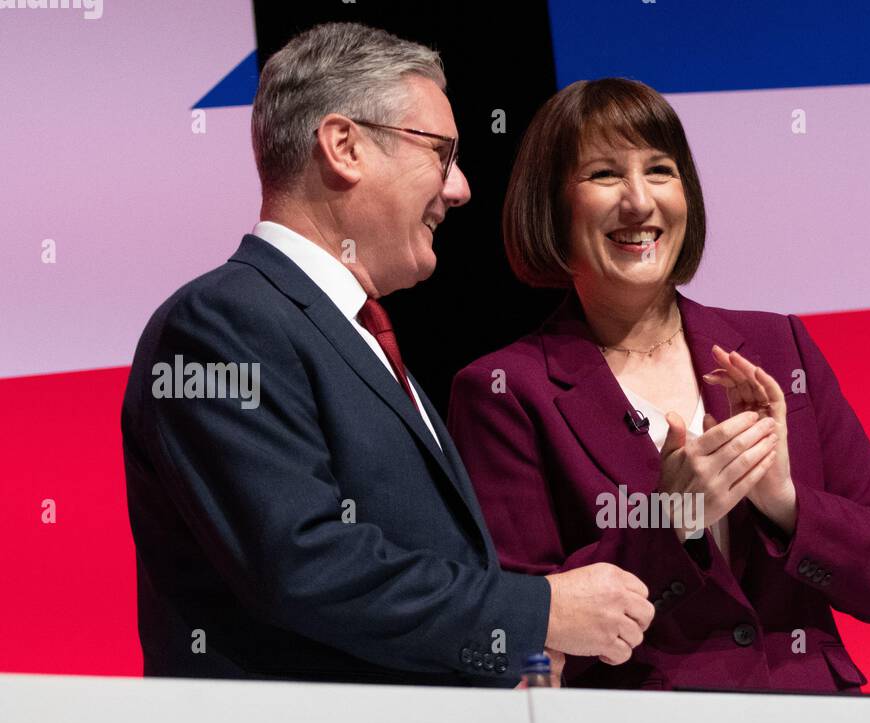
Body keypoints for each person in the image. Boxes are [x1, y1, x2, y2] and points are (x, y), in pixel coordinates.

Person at [120, 25, 651, 686]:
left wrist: (507, 657)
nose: (459, 189)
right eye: (441, 153)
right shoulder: (222, 323)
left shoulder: (358, 337)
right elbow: (303, 562)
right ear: (345, 147)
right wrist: (538, 610)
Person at [449, 78, 870, 693]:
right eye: (604, 175)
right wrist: (671, 519)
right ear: (551, 206)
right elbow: (522, 628)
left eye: (660, 170)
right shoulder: (505, 390)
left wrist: (784, 500)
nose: (640, 202)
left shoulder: (782, 346)